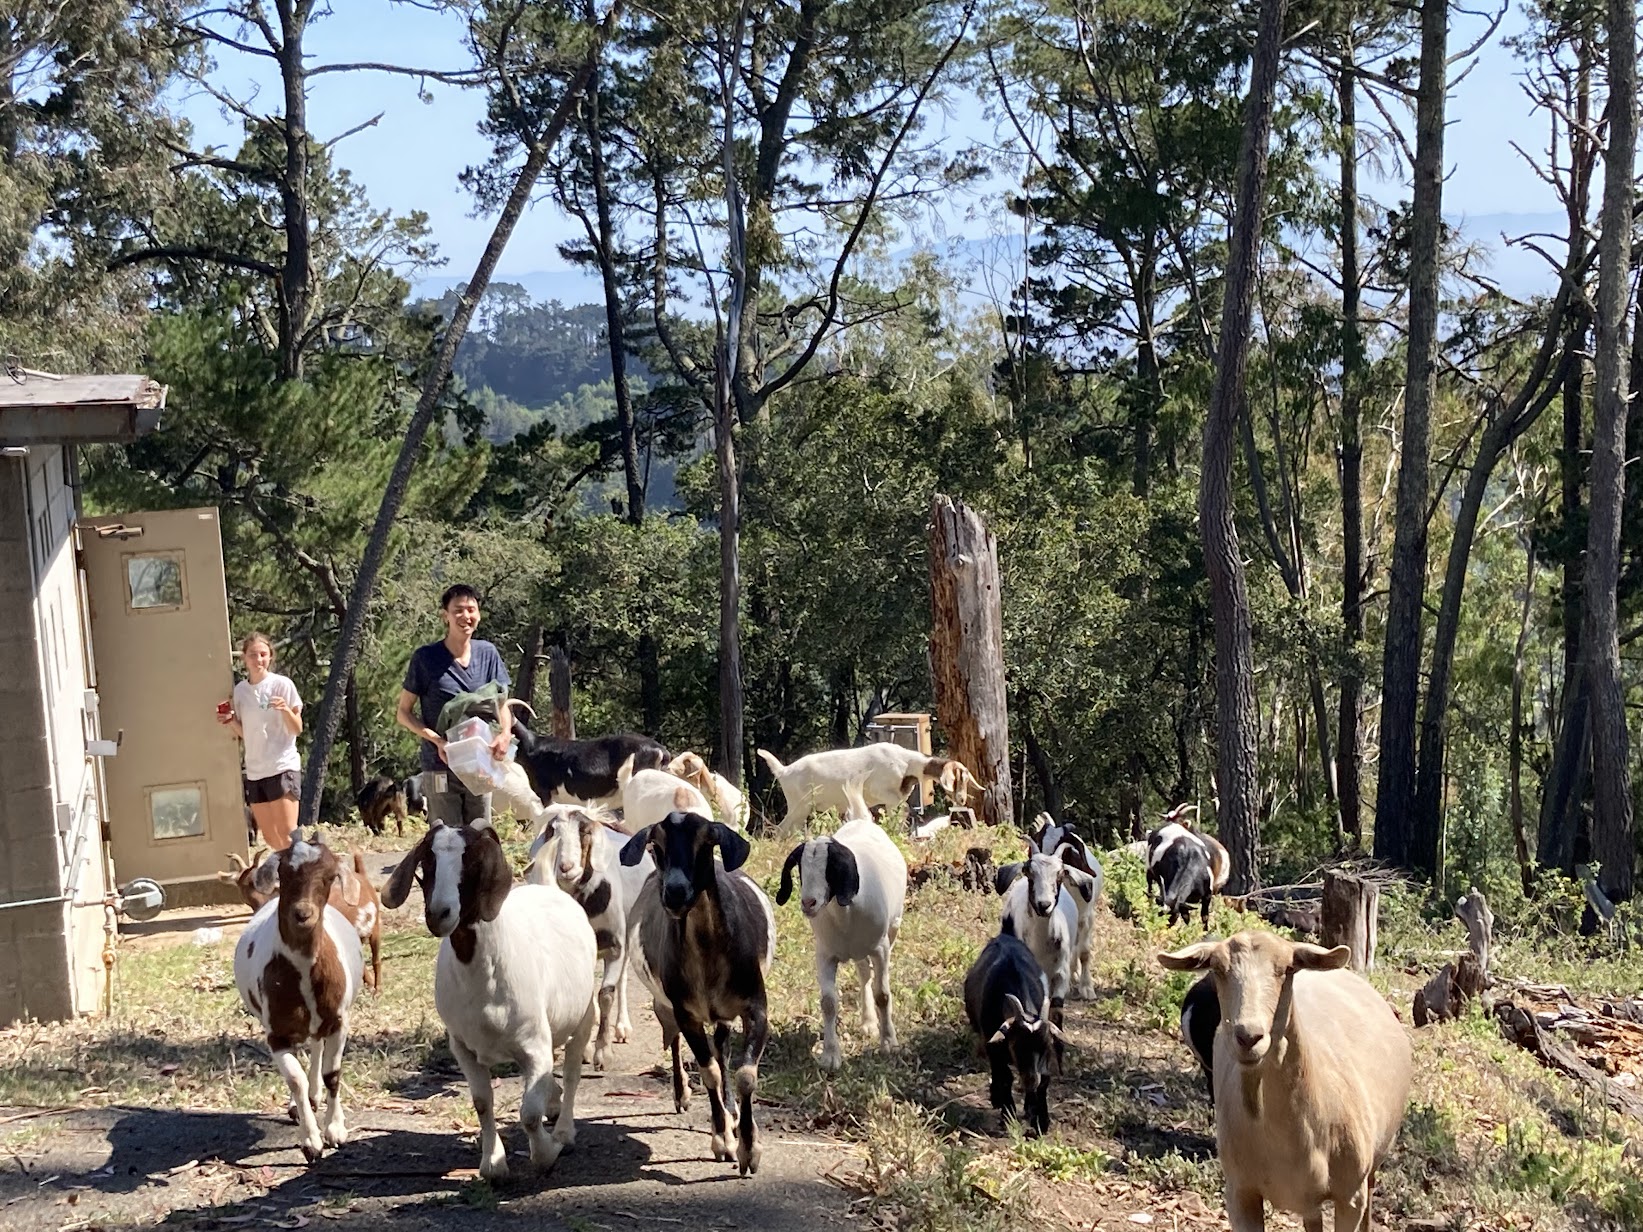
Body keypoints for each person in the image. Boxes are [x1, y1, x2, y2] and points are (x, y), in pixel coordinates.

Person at [396, 584, 513, 828]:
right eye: (458, 610)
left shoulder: (488, 654)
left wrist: (504, 734)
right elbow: (403, 713)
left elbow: (501, 703)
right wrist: (438, 742)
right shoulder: (426, 658)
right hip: (440, 765)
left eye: (471, 610)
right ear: (445, 616)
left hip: (481, 764)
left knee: (481, 837)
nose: (465, 616)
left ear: (479, 615)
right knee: (446, 840)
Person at [218, 632, 303, 851]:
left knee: (288, 833)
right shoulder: (240, 692)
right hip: (256, 771)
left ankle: (300, 878)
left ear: (270, 657)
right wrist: (229, 721)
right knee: (270, 837)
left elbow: (297, 728)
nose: (259, 660)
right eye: (253, 655)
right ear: (244, 658)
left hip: (282, 766)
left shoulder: (282, 685)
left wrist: (284, 709)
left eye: (263, 655)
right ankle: (286, 879)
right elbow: (247, 733)